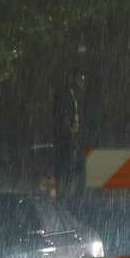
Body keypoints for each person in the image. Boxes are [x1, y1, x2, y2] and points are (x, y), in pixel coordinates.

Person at [52, 69, 84, 197]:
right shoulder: (67, 95)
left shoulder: (73, 96)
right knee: (66, 164)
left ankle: (65, 191)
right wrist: (70, 135)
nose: (82, 82)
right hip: (66, 137)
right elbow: (64, 116)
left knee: (67, 164)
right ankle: (64, 191)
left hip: (68, 136)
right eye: (80, 79)